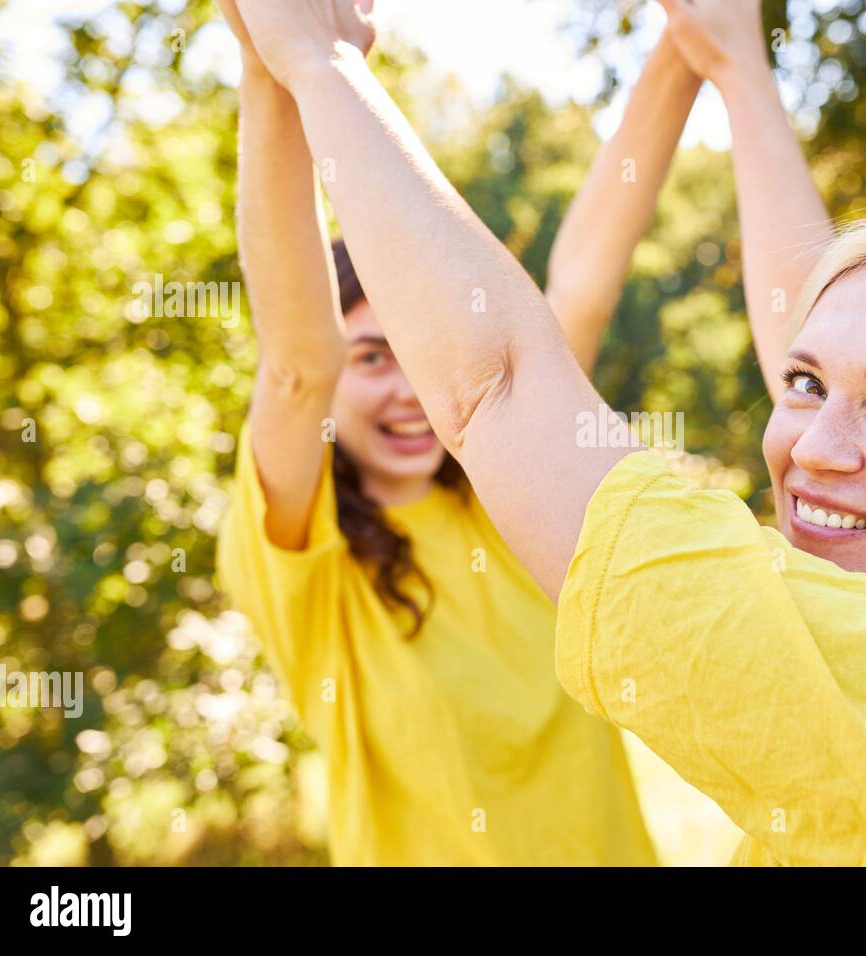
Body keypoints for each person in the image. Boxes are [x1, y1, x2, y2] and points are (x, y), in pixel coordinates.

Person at [225, 0, 866, 866]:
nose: (814, 444)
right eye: (804, 385)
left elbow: (502, 378)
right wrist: (727, 59)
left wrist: (308, 62)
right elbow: (840, 387)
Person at [214, 0, 704, 865]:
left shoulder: (514, 497)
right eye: (372, 358)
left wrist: (693, 43)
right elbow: (298, 363)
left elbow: (584, 279)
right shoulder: (307, 557)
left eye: (416, 352)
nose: (410, 391)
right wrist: (272, 66)